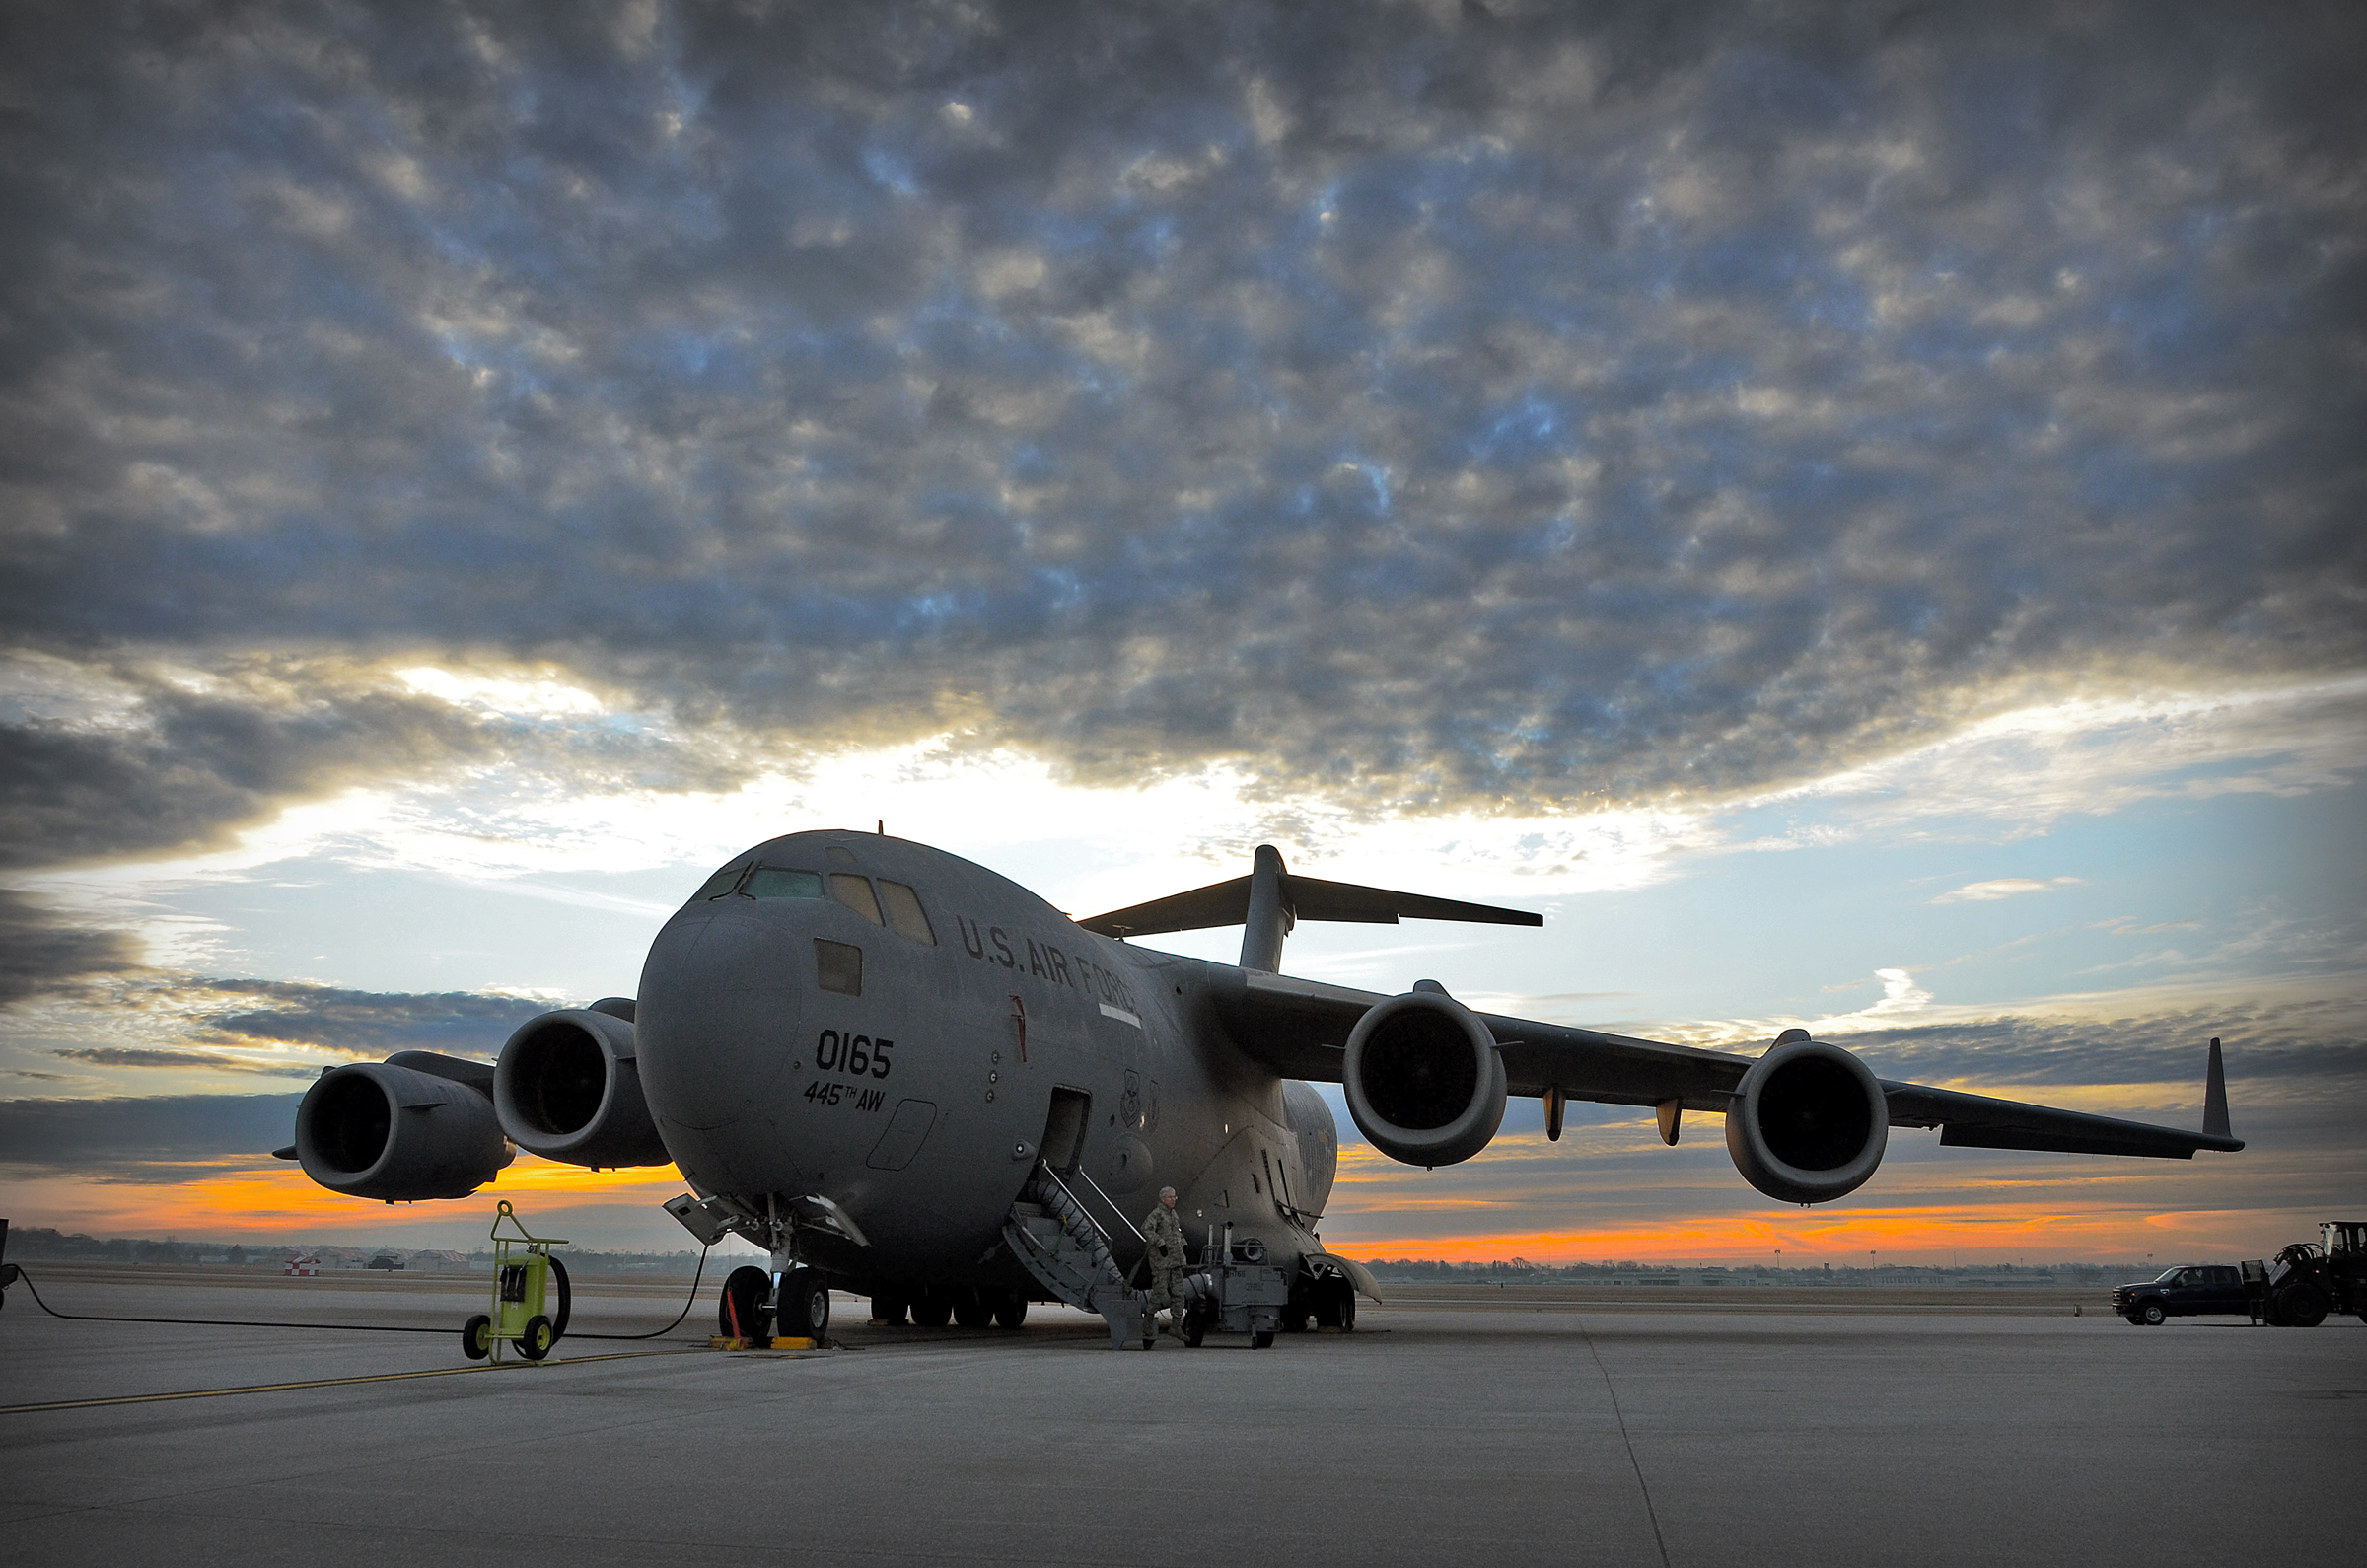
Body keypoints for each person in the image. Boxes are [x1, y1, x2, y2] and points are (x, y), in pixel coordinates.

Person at [1142, 1185, 1189, 1337]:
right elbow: (1146, 1229)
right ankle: (1148, 1321)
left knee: (1179, 1293)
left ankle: (1175, 1326)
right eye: (1170, 1197)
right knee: (1159, 1292)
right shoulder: (1157, 1214)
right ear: (1163, 1199)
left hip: (1175, 1260)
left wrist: (1184, 1244)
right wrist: (1159, 1242)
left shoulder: (1173, 1214)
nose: (1173, 1200)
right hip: (1161, 1261)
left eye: (1174, 1197)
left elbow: (1176, 1231)